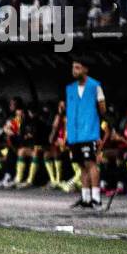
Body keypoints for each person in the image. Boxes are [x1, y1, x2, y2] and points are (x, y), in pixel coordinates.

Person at [53, 58, 105, 209]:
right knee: (81, 165)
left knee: (91, 164)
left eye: (77, 68)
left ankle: (96, 198)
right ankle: (85, 198)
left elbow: (103, 109)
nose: (74, 71)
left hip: (89, 132)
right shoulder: (69, 88)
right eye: (73, 68)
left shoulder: (95, 86)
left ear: (85, 69)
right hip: (75, 134)